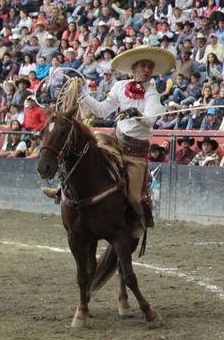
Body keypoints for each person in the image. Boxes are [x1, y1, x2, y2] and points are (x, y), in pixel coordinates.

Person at [74, 45, 173, 239]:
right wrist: (83, 96)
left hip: (136, 153)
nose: (147, 70)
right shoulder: (120, 87)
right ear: (134, 68)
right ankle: (63, 191)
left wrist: (136, 113)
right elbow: (102, 111)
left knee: (135, 198)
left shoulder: (152, 94)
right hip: (116, 141)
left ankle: (141, 219)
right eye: (143, 66)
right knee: (86, 155)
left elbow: (150, 120)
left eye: (150, 67)